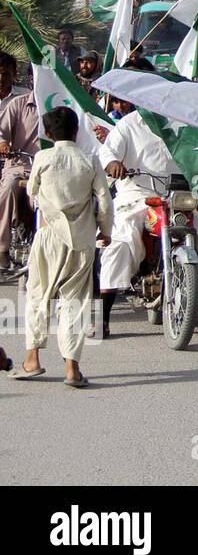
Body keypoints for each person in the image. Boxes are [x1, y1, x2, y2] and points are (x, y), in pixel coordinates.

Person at [100, 82, 198, 337]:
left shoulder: (187, 121)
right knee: (121, 240)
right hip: (139, 194)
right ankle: (102, 315)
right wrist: (113, 163)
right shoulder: (129, 124)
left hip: (182, 195)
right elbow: (108, 152)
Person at [10, 108, 112, 386]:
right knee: (75, 302)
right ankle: (72, 369)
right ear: (77, 131)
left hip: (47, 238)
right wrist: (106, 231)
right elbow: (104, 203)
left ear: (46, 133)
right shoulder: (89, 159)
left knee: (38, 296)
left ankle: (32, 360)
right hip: (82, 240)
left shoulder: (43, 157)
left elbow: (31, 193)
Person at [0, 91, 37, 270]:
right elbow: (2, 132)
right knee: (9, 188)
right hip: (19, 165)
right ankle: (2, 247)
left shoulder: (62, 102)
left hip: (46, 168)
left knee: (44, 200)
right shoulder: (18, 104)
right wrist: (3, 144)